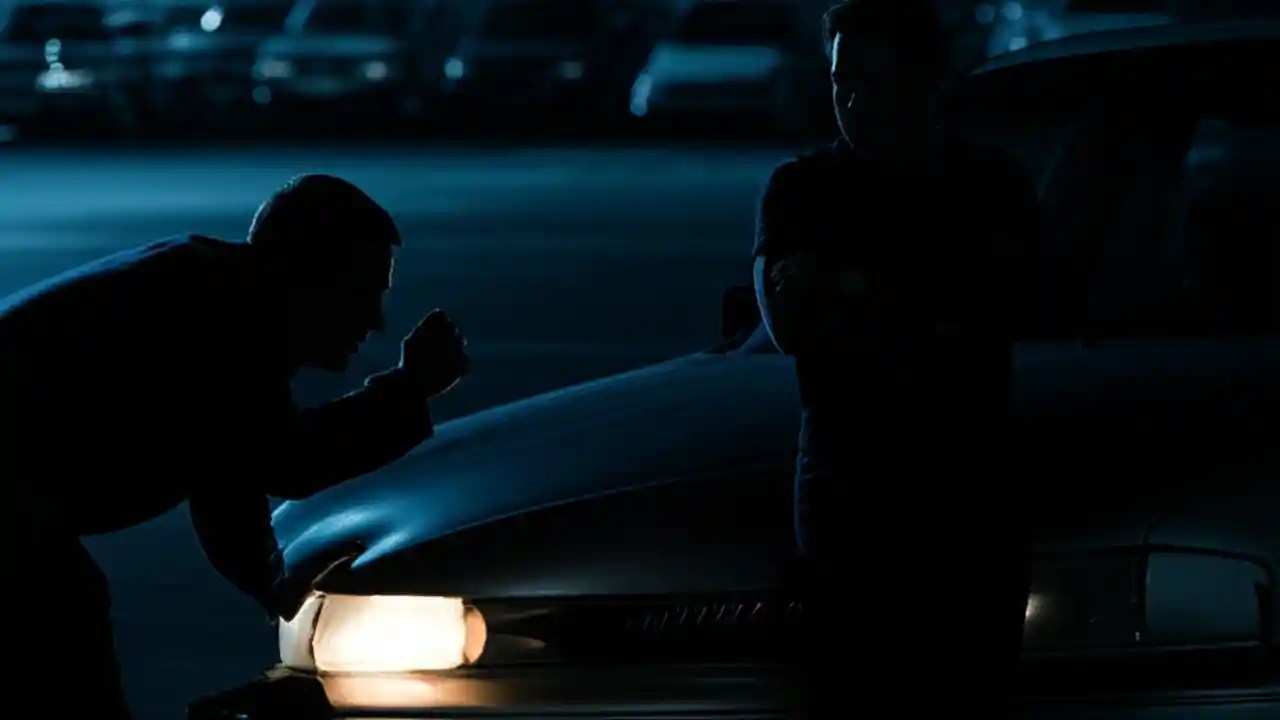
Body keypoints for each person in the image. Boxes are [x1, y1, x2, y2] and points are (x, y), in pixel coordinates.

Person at [3, 174, 470, 720]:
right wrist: (408, 390)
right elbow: (275, 460)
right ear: (306, 278)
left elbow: (229, 471)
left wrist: (272, 584)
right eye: (361, 291)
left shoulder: (209, 291)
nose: (374, 320)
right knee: (62, 619)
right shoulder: (215, 313)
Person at [751, 1, 1039, 715]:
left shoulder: (987, 184)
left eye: (874, 82)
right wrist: (916, 285)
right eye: (842, 81)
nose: (853, 101)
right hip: (850, 496)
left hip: (963, 490)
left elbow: (1005, 296)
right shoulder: (802, 190)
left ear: (922, 81)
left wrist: (852, 281)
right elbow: (787, 319)